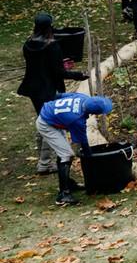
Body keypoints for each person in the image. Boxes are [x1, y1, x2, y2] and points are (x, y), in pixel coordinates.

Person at [17, 13, 86, 175]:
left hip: (33, 89)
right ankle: (45, 163)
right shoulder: (52, 45)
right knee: (50, 124)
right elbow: (58, 72)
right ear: (49, 27)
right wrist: (79, 75)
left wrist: (57, 63)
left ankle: (43, 160)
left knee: (42, 120)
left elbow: (40, 66)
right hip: (49, 90)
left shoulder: (28, 44)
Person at [36, 94, 113, 206]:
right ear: (94, 113)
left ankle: (69, 183)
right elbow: (83, 143)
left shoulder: (82, 97)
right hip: (46, 124)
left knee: (64, 152)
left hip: (52, 115)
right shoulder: (77, 119)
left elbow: (60, 95)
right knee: (66, 154)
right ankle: (62, 195)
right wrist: (91, 158)